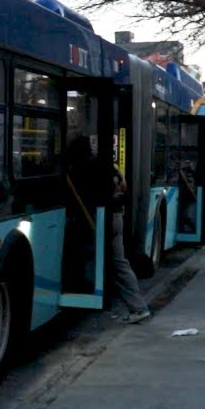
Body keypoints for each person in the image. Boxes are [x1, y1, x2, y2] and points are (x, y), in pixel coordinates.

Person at [65, 135, 151, 324]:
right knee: (118, 262)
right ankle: (138, 307)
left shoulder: (81, 168)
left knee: (81, 252)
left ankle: (83, 291)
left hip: (100, 219)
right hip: (116, 216)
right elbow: (123, 188)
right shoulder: (109, 166)